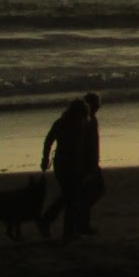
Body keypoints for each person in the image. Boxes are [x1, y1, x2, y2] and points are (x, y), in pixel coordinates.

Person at [39, 98, 89, 240]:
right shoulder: (77, 125)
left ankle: (65, 229)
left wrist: (45, 158)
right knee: (71, 197)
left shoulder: (62, 123)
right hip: (69, 164)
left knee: (69, 196)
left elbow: (48, 140)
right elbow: (78, 148)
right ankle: (56, 224)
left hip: (62, 163)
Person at [79, 92, 104, 233]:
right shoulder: (87, 121)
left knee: (90, 192)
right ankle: (83, 224)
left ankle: (84, 224)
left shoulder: (91, 120)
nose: (99, 106)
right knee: (94, 191)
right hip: (88, 163)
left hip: (91, 161)